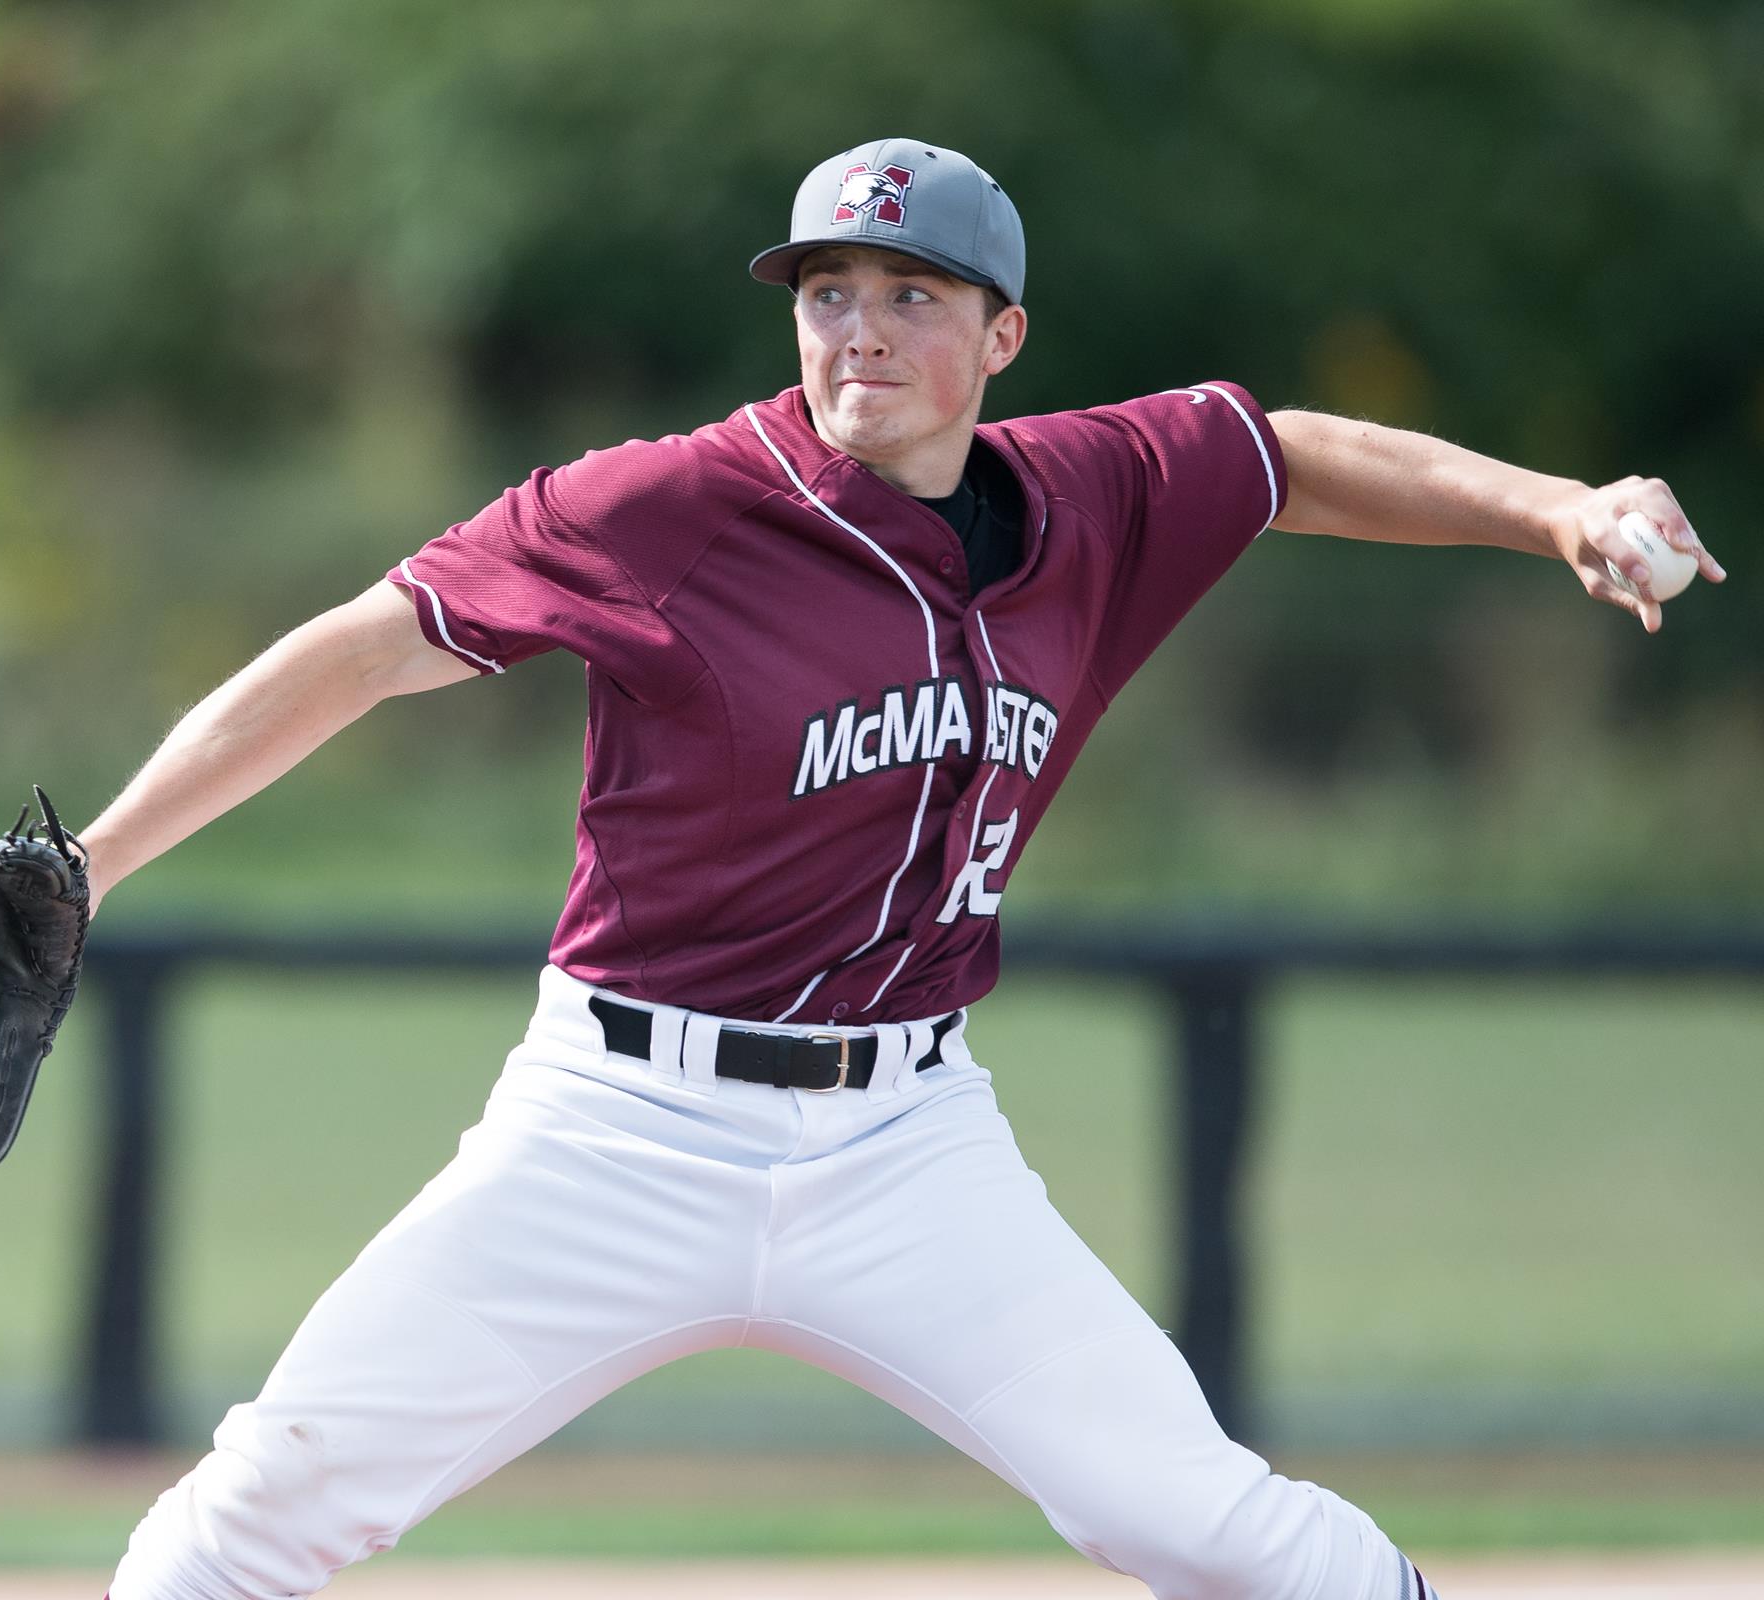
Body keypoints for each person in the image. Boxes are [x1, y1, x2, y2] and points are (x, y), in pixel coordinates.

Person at [91, 138, 1723, 1600]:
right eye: (826, 289)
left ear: (1002, 337)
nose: (858, 326)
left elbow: (1286, 454)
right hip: (618, 1129)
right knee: (256, 1517)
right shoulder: (667, 507)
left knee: (1216, 1528)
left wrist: (1556, 507)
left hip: (906, 1146)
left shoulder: (1097, 493)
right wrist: (89, 867)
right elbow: (366, 650)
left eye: (912, 290)